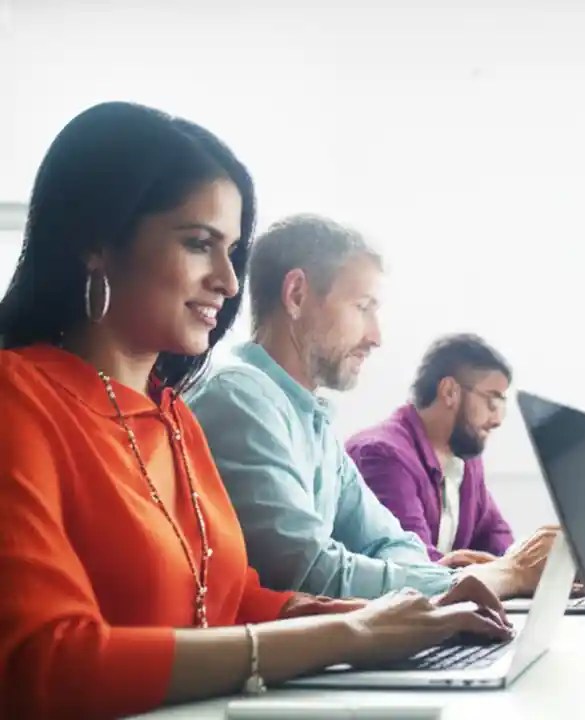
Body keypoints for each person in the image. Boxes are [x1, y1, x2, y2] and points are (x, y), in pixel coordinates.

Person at [0, 102, 510, 720]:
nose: (229, 281)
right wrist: (345, 635)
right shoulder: (18, 398)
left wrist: (400, 619)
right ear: (96, 243)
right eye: (198, 244)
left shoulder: (172, 417)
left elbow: (231, 599)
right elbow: (49, 662)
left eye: (232, 251)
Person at [186, 214, 550, 601]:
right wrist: (496, 577)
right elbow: (309, 574)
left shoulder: (311, 419)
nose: (375, 336)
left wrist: (458, 580)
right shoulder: (239, 398)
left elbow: (389, 542)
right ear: (296, 295)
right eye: (363, 307)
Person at [347, 334, 517, 566]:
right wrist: (503, 574)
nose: (497, 420)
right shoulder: (381, 455)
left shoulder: (465, 458)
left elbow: (495, 535)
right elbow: (413, 564)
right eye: (492, 401)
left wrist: (527, 567)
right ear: (449, 391)